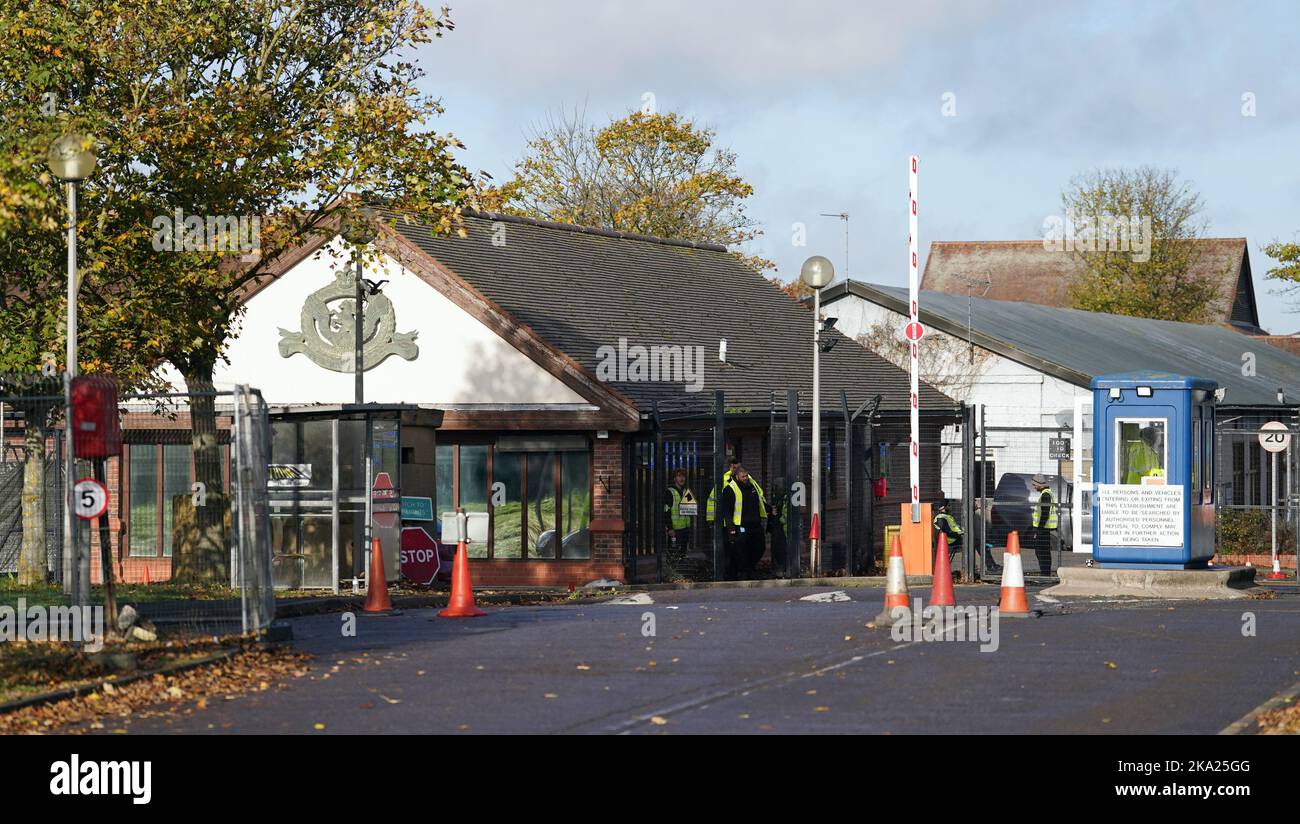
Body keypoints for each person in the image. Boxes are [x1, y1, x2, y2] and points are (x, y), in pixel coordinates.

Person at [720, 464, 767, 580]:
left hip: (755, 524)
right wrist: (731, 528)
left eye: (746, 476)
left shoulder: (752, 486)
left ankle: (750, 569)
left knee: (760, 547)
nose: (745, 478)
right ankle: (743, 573)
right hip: (741, 525)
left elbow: (760, 501)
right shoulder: (730, 489)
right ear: (737, 477)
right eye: (743, 477)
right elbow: (727, 510)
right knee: (742, 550)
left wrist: (769, 509)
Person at [663, 469, 695, 573]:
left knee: (683, 553)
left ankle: (681, 573)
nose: (681, 478)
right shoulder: (670, 492)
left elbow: (691, 510)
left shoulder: (686, 492)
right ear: (674, 478)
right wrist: (670, 528)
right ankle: (671, 574)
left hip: (685, 528)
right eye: (679, 476)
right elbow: (666, 511)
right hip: (675, 530)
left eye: (683, 476)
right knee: (673, 553)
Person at [1030, 474, 1059, 575]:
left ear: (1039, 484)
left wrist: (1039, 529)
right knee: (1043, 553)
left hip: (1043, 530)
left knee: (1042, 553)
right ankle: (1045, 573)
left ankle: (1045, 574)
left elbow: (1044, 514)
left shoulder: (1045, 495)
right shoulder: (1046, 494)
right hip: (1045, 529)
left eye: (1034, 485)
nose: (1034, 487)